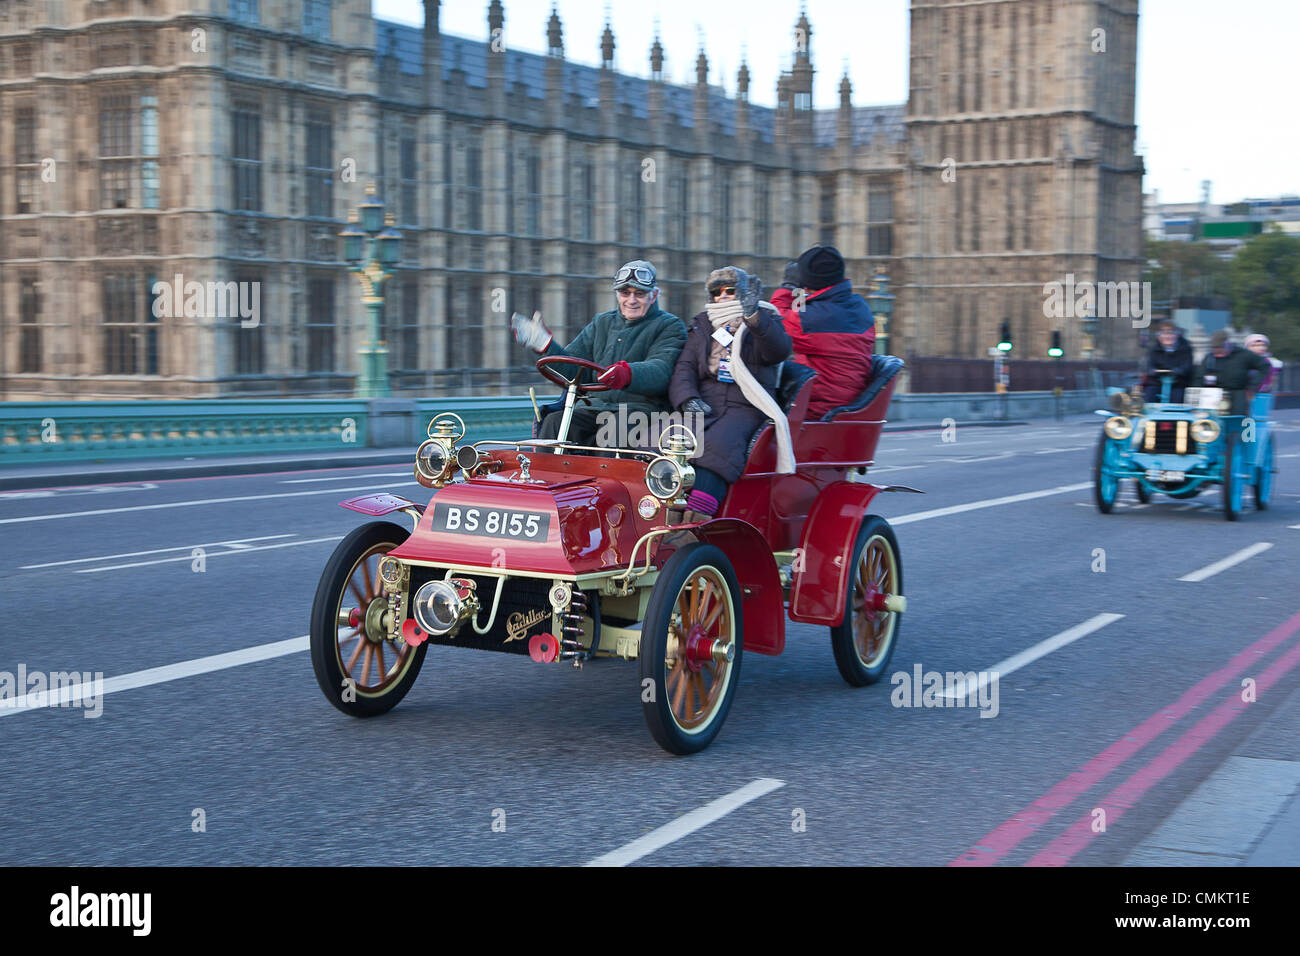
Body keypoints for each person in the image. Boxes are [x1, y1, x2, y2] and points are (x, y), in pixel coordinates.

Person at [510, 259, 685, 446]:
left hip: (640, 409)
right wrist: (545, 345)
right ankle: (547, 474)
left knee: (613, 433)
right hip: (594, 406)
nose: (631, 300)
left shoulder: (670, 326)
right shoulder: (601, 323)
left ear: (654, 294)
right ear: (617, 295)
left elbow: (661, 369)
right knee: (554, 423)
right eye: (625, 293)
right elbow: (575, 370)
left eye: (639, 294)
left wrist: (627, 374)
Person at [668, 266, 792, 520]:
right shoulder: (702, 323)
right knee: (662, 439)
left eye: (731, 290)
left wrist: (753, 316)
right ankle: (664, 512)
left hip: (746, 404)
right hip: (705, 403)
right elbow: (685, 368)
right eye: (717, 291)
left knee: (716, 448)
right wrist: (688, 399)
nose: (723, 296)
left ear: (744, 292)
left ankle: (696, 520)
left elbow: (778, 351)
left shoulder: (766, 318)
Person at [768, 245, 875, 420]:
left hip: (816, 406)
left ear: (808, 282)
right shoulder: (859, 306)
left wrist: (789, 287)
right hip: (844, 399)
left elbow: (773, 322)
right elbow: (800, 312)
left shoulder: (811, 320)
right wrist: (800, 290)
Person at [1192, 330, 1273, 415]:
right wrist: (1196, 394)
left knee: (1237, 420)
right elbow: (1199, 377)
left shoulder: (1243, 355)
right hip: (1214, 395)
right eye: (1215, 351)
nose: (1218, 354)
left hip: (1238, 394)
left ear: (1228, 345)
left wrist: (1252, 386)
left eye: (1220, 350)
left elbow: (1264, 366)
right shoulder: (1209, 358)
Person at [1141, 321, 1195, 403]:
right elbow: (1149, 365)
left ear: (1177, 335)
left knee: (1178, 398)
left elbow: (1187, 366)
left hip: (1178, 383)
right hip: (1157, 382)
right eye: (1164, 333)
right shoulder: (1153, 350)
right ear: (1159, 336)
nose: (1168, 336)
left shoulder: (1185, 349)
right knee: (1149, 396)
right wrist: (1152, 371)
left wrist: (1179, 371)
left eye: (1171, 333)